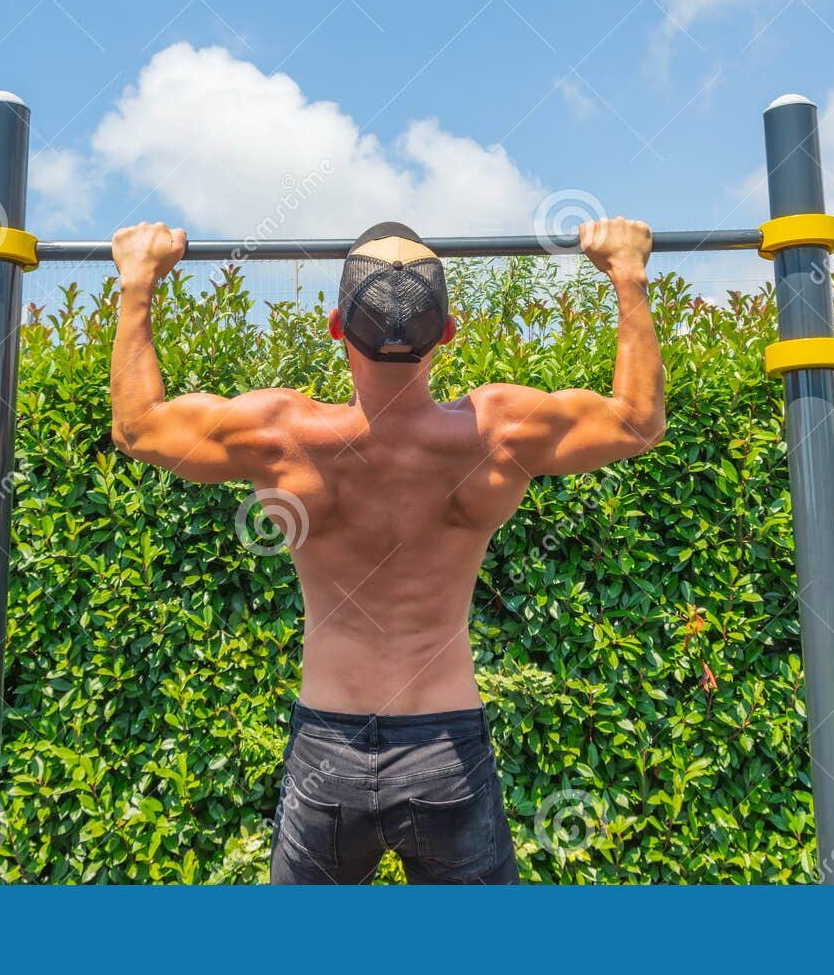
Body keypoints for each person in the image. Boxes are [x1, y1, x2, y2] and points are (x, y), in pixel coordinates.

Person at [109, 217, 665, 884]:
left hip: (328, 755)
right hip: (445, 753)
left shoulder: (281, 434)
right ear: (449, 332)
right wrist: (627, 273)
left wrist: (138, 281)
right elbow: (638, 419)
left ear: (337, 326)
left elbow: (138, 426)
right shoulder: (499, 431)